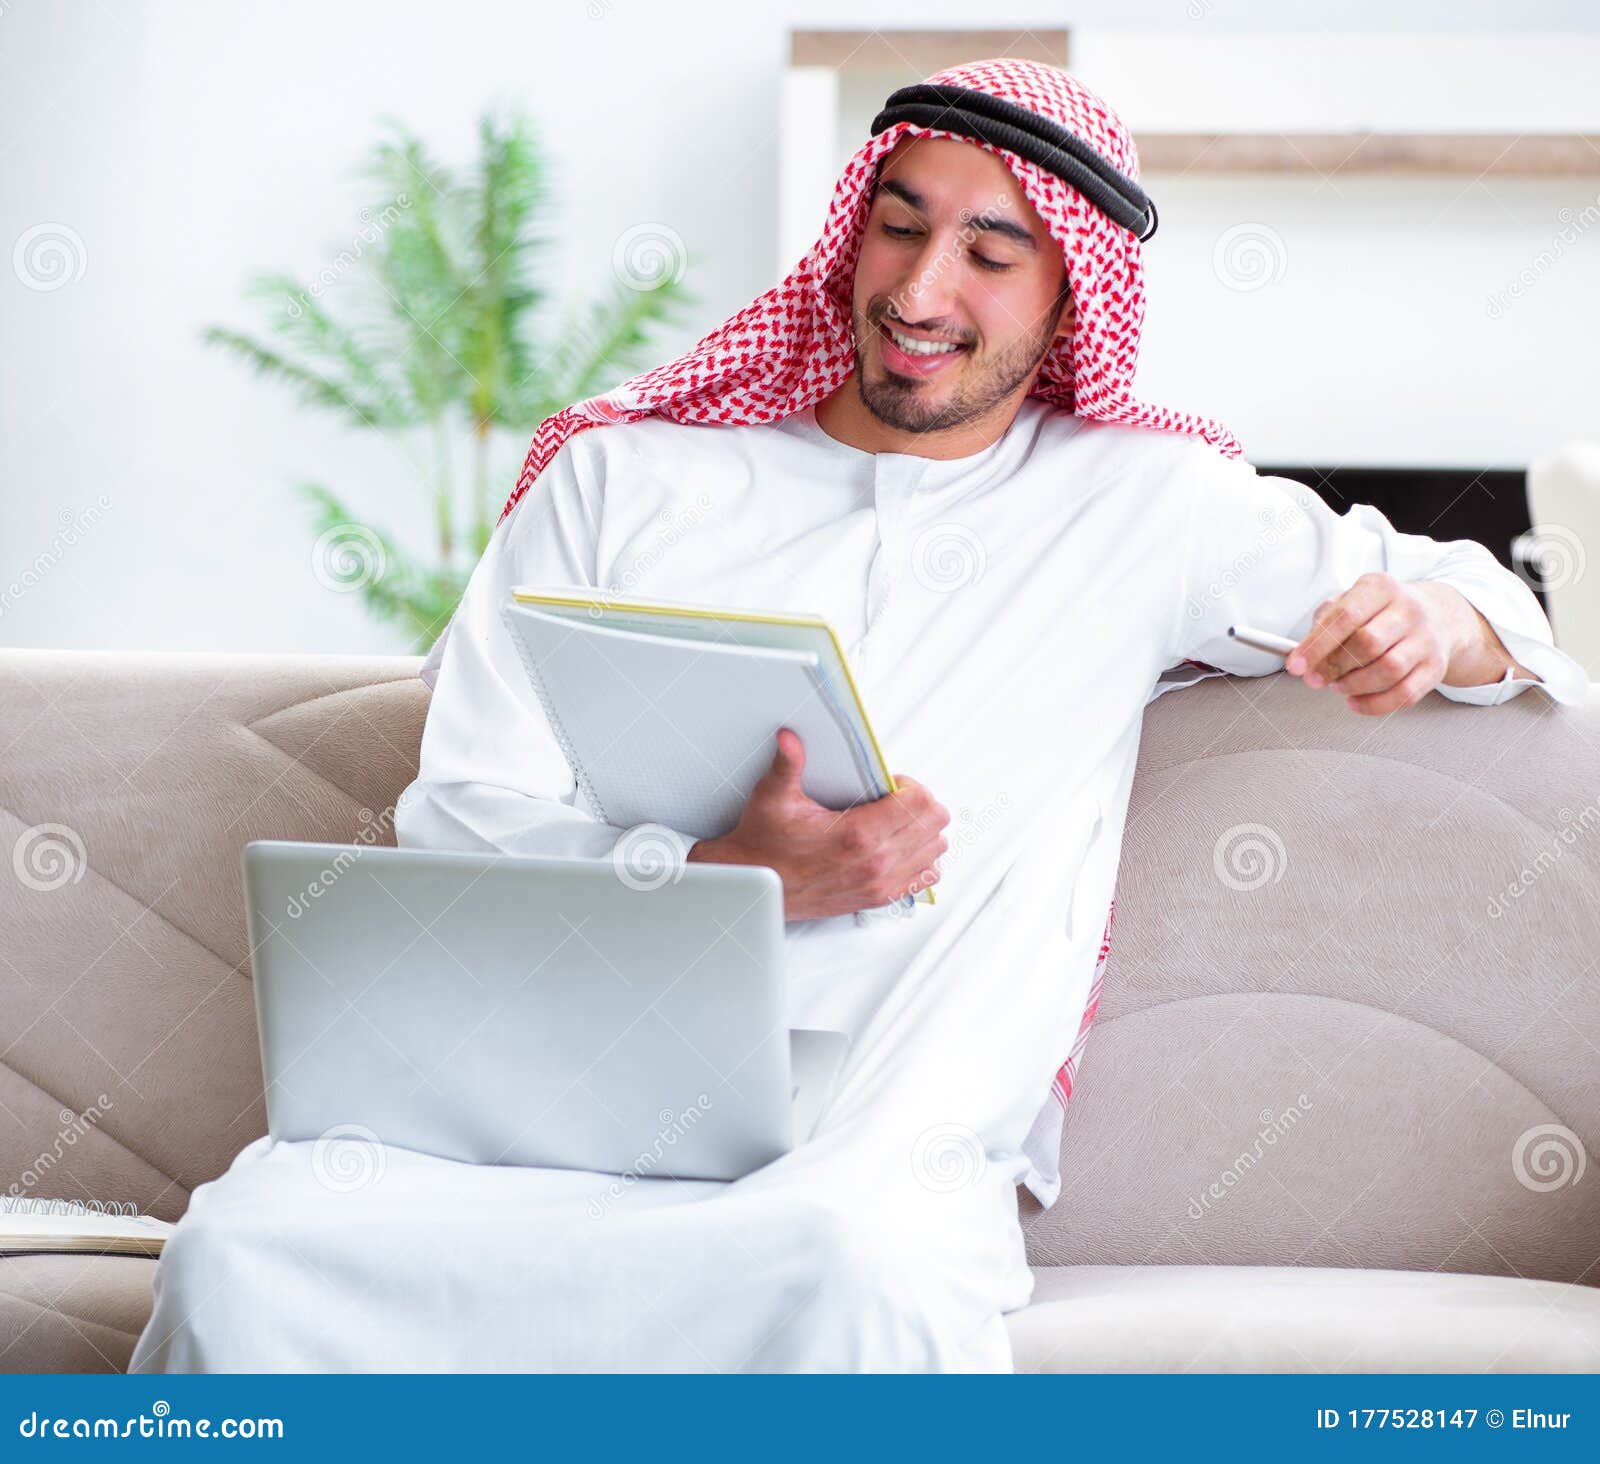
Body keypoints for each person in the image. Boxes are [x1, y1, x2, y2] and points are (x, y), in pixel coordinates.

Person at [131, 58, 1587, 1374]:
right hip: (518, 1120)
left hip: (872, 1153)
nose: (919, 287)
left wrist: (1438, 624)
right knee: (247, 1263)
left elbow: (1481, 598)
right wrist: (719, 880)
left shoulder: (1143, 509)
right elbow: (462, 814)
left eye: (991, 250)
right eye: (898, 221)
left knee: (848, 1275)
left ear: (1073, 295)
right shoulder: (624, 481)